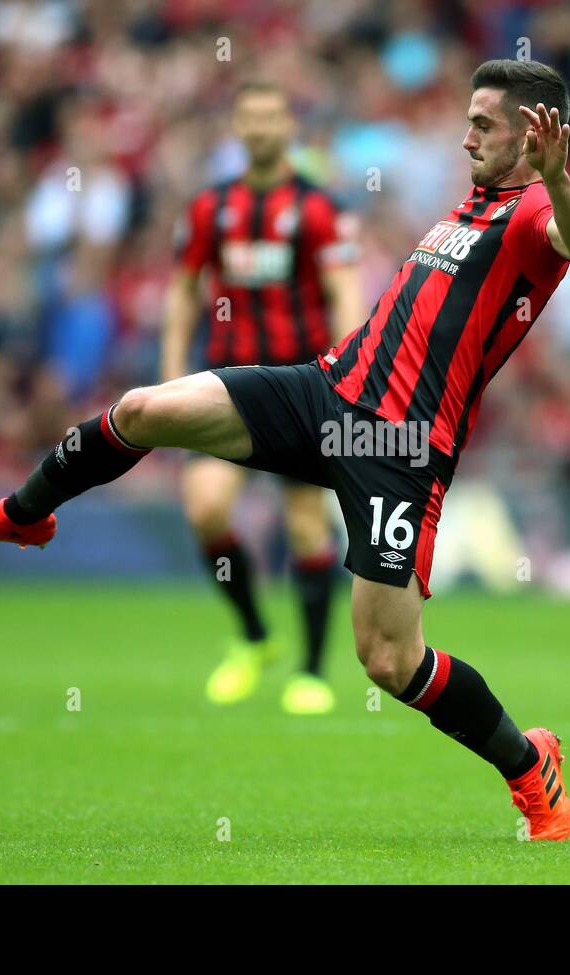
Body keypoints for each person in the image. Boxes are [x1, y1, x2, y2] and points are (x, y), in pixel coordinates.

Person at [0, 59, 570, 841]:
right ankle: (19, 514)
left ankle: (529, 765)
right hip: (327, 391)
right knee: (145, 408)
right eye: (469, 119)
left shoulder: (533, 215)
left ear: (535, 131)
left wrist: (560, 179)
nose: (465, 135)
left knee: (388, 660)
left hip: (398, 446)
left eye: (483, 124)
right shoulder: (472, 206)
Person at [166, 82, 364, 714]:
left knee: (306, 526)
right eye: (248, 118)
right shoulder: (209, 208)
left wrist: (348, 379)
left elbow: (343, 295)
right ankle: (253, 636)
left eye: (270, 118)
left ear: (289, 126)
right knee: (205, 510)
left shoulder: (317, 207)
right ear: (235, 125)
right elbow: (182, 292)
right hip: (224, 379)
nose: (259, 129)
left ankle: (311, 673)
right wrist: (170, 375)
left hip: (302, 383)